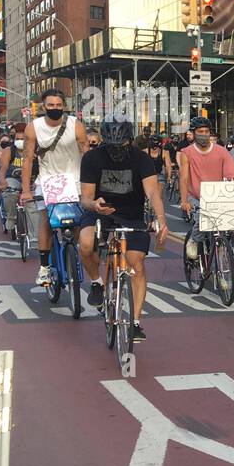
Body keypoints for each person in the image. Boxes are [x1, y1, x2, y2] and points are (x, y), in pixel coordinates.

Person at [79, 120, 169, 342]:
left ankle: (136, 322)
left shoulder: (142, 159)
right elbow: (85, 198)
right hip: (100, 209)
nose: (116, 149)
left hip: (131, 213)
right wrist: (95, 205)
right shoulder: (92, 158)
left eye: (121, 144)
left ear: (129, 141)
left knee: (136, 263)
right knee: (86, 243)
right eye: (110, 145)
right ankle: (97, 283)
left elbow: (153, 193)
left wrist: (161, 220)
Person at [21, 89, 92, 288]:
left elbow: (87, 157)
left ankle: (72, 252)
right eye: (50, 105)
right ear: (43, 106)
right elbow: (27, 159)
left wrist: (91, 184)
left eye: (58, 105)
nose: (54, 108)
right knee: (46, 219)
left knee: (78, 220)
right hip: (48, 181)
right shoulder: (33, 128)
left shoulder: (76, 126)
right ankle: (44, 267)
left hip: (75, 180)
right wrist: (26, 190)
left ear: (64, 106)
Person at [178, 116, 234, 261]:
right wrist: (184, 201)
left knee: (223, 229)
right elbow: (183, 178)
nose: (204, 134)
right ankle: (194, 240)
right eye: (200, 131)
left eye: (207, 131)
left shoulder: (221, 151)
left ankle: (222, 268)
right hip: (194, 195)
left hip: (217, 196)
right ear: (193, 133)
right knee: (202, 218)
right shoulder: (186, 153)